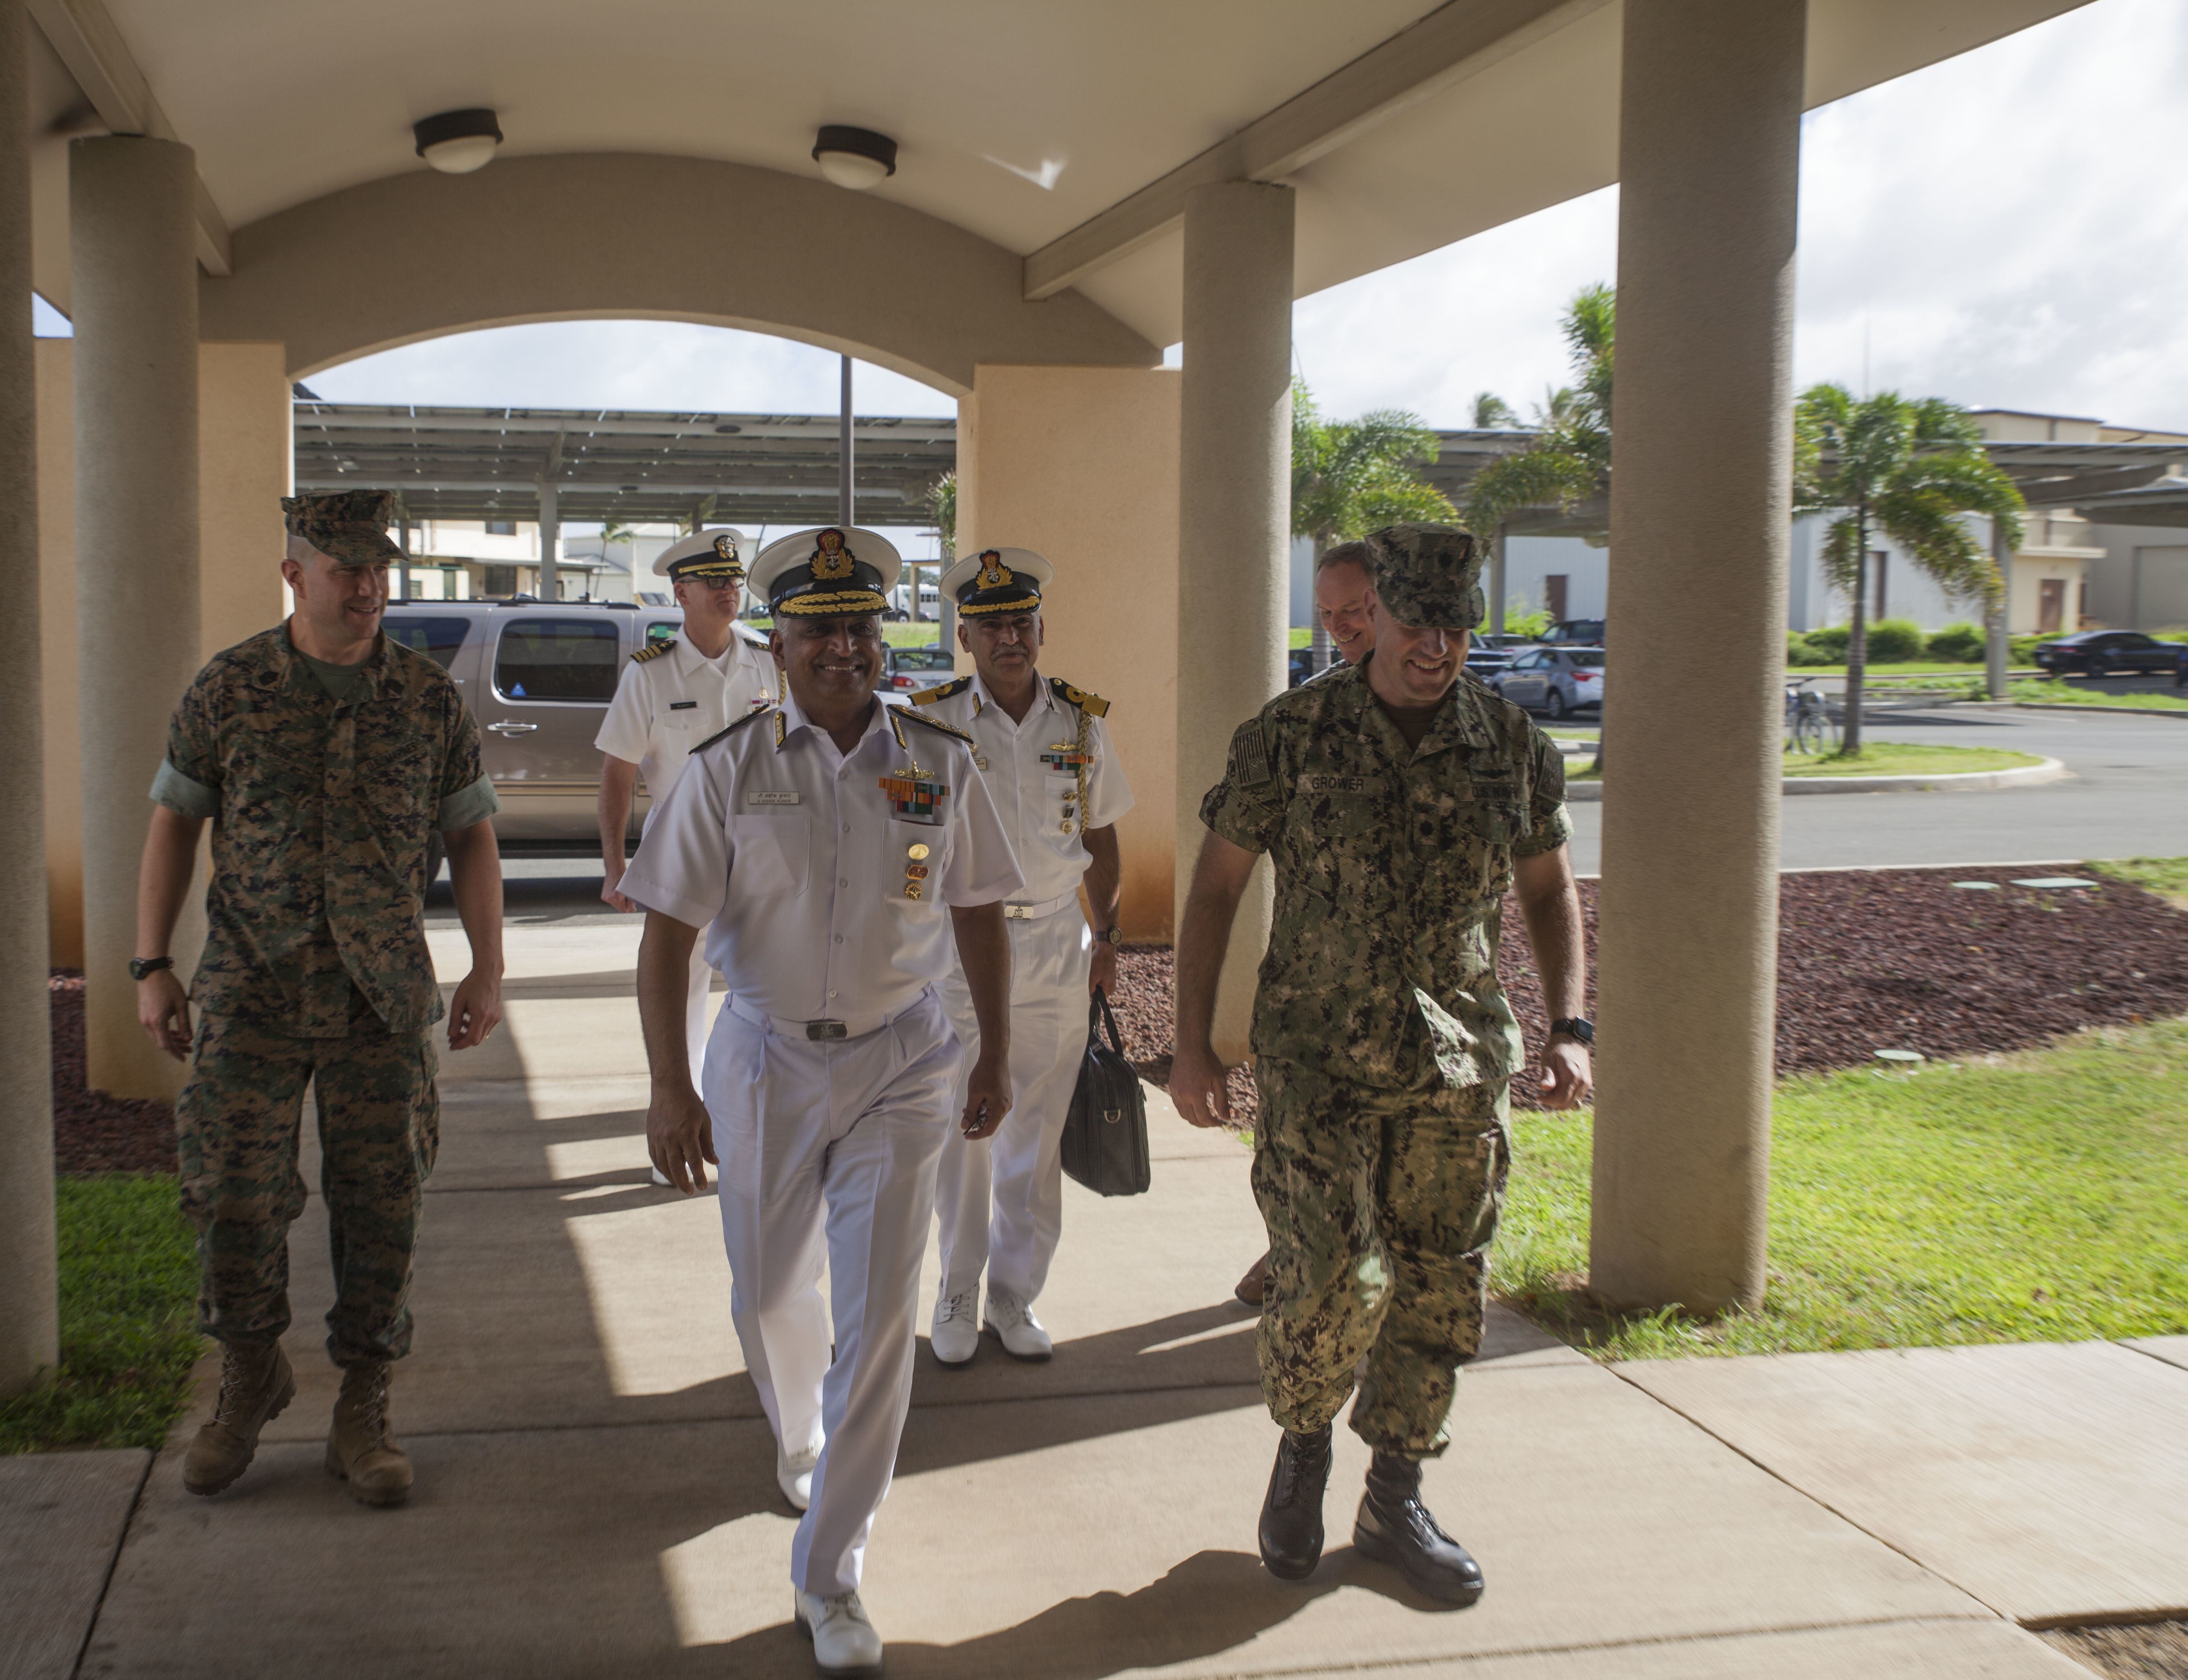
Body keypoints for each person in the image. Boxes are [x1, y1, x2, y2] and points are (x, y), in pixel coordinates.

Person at [620, 525, 1020, 1676]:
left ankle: (832, 1573)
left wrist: (988, 1053)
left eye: (859, 626)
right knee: (768, 1292)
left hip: (904, 1060)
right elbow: (669, 938)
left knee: (881, 1316)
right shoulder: (731, 766)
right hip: (763, 1062)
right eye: (817, 629)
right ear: (779, 641)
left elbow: (981, 906)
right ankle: (798, 1433)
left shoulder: (938, 760)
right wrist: (668, 1082)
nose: (843, 648)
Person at [1170, 524, 1592, 1602]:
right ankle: (1304, 1444)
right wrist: (1191, 1047)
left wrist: (1571, 1026)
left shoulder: (1511, 745)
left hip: (1458, 1064)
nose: (1436, 648)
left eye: (1455, 627)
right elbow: (1216, 888)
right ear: (1374, 620)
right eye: (1415, 626)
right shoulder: (1291, 736)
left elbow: (1547, 893)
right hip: (1317, 1058)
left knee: (1441, 1287)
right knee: (1334, 1273)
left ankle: (1394, 1493)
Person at [135, 488, 506, 1509]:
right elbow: (173, 822)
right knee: (233, 1200)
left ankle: (364, 1404)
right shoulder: (230, 689)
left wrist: (487, 966)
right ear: (296, 575)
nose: (369, 587)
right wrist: (149, 964)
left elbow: (473, 834)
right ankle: (251, 1376)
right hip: (251, 991)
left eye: (379, 570)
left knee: (381, 1206)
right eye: (347, 570)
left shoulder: (427, 699)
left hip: (380, 998)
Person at [904, 547, 1133, 1366]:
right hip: (962, 948)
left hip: (1055, 949)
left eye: (1021, 621)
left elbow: (1101, 838)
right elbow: (911, 847)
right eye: (991, 624)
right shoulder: (929, 724)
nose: (1010, 637)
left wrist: (1106, 936)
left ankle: (1015, 1295)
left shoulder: (1080, 721)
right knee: (964, 1126)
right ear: (964, 636)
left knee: (1037, 1132)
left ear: (1042, 628)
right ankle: (957, 1289)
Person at [594, 529, 774, 1182]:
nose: (730, 591)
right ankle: (682, 1129)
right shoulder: (652, 674)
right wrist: (617, 865)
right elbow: (617, 774)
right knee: (682, 996)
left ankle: (755, 1124)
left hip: (762, 850)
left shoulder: (765, 662)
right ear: (681, 594)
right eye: (715, 583)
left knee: (765, 988)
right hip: (683, 856)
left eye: (734, 582)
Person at [1235, 538, 1379, 1309]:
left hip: (1414, 1004)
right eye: (1329, 616)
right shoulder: (1299, 723)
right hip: (1311, 999)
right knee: (1291, 1155)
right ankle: (1287, 1247)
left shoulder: (1463, 720)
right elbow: (1225, 867)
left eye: (1356, 611)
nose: (1343, 628)